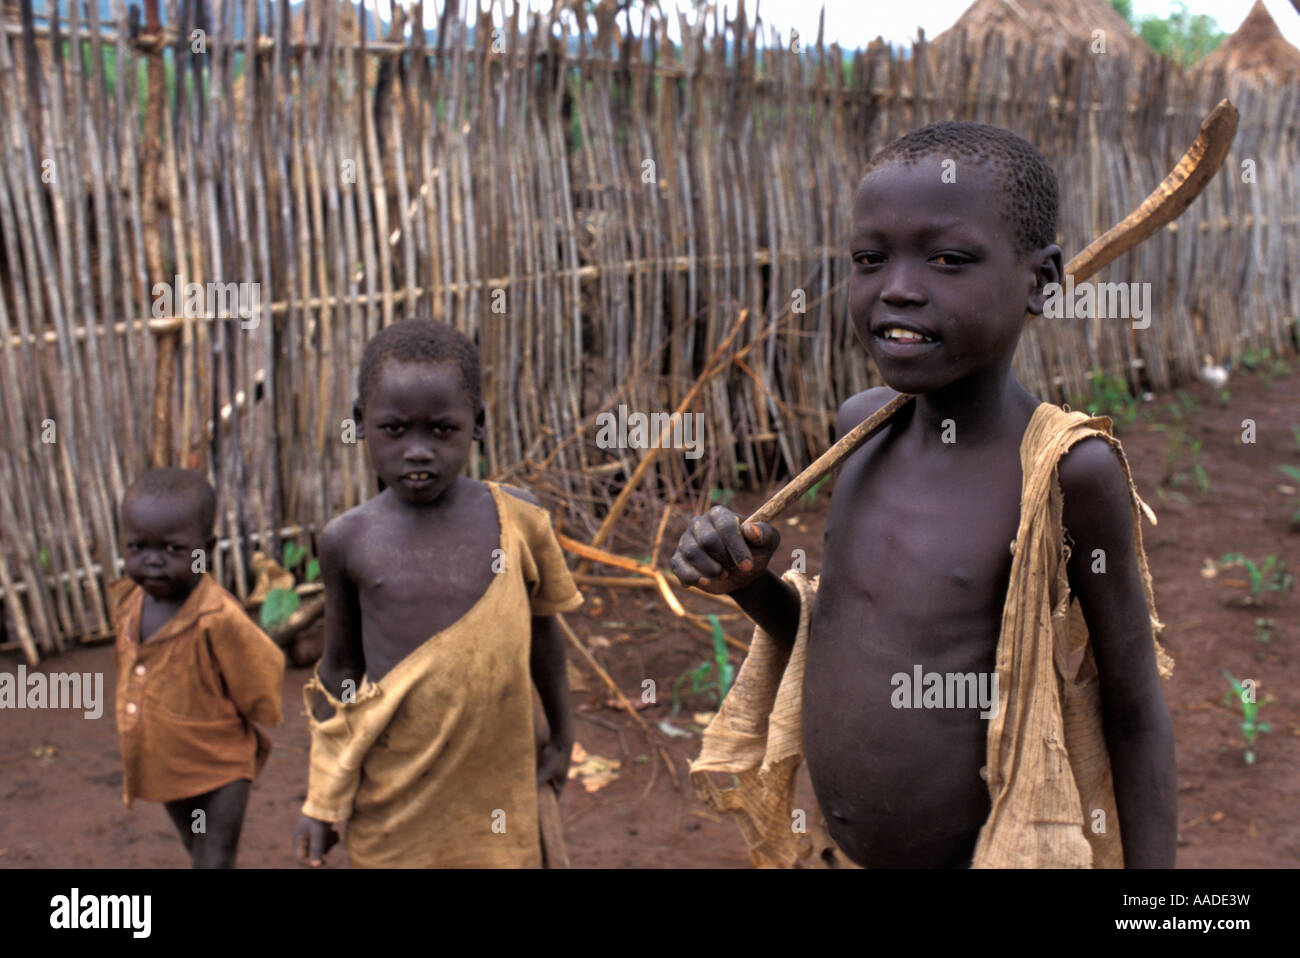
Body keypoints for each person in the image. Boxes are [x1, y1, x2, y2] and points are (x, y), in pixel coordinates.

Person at [672, 122, 1175, 869]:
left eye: (948, 260)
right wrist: (752, 587)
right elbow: (836, 637)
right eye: (870, 259)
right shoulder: (858, 432)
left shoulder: (1066, 472)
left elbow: (1134, 713)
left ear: (1040, 282)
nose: (899, 288)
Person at [294, 317, 582, 868]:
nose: (419, 451)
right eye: (395, 429)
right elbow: (339, 671)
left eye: (442, 430)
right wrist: (322, 800)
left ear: (477, 424)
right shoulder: (347, 540)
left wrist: (563, 737)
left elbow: (545, 638)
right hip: (394, 796)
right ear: (360, 423)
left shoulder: (518, 521)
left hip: (500, 784)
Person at [113, 468, 285, 868]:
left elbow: (260, 672)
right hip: (167, 764)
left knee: (214, 858)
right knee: (197, 847)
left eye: (172, 549)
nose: (153, 562)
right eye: (138, 547)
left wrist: (253, 715)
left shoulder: (217, 617)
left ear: (204, 549)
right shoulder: (128, 603)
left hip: (221, 765)